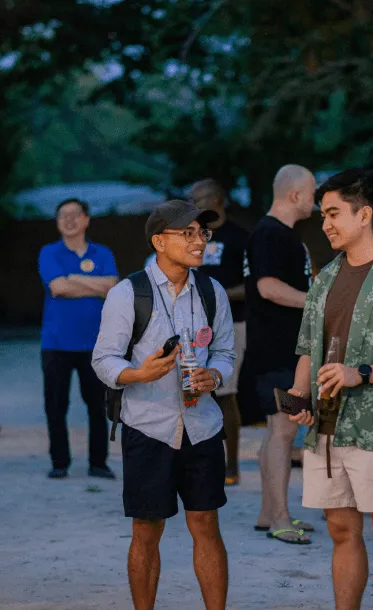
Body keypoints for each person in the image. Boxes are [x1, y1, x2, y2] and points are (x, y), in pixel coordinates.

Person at [287, 168, 373, 610]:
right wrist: (299, 396)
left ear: (364, 214)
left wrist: (358, 373)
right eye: (322, 214)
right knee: (340, 530)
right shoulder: (324, 276)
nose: (325, 223)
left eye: (333, 213)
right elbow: (309, 344)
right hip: (326, 426)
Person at [92, 200, 235, 610]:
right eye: (186, 233)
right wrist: (140, 374)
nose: (198, 241)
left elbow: (225, 351)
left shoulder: (211, 290)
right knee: (147, 528)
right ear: (159, 241)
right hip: (148, 426)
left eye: (202, 233)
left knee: (206, 523)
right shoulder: (128, 293)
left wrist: (217, 376)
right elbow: (104, 360)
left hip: (203, 425)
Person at [240, 164, 316, 544]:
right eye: (312, 193)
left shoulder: (279, 235)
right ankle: (281, 518)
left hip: (281, 352)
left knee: (277, 431)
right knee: (284, 432)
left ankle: (269, 512)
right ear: (295, 195)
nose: (316, 202)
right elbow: (268, 287)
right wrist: (317, 301)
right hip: (276, 354)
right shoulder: (271, 234)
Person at [39, 198, 118, 479]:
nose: (69, 220)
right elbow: (58, 287)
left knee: (98, 406)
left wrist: (75, 279)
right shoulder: (49, 252)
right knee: (56, 405)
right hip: (56, 343)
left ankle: (99, 463)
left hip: (96, 343)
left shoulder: (102, 252)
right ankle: (59, 463)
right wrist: (95, 284)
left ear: (86, 219)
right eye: (63, 215)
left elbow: (113, 287)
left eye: (75, 215)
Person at [189, 179, 249, 485]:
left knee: (224, 393)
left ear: (216, 200)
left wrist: (215, 294)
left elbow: (253, 286)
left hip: (230, 325)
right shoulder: (193, 236)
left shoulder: (239, 237)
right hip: (191, 327)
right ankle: (200, 462)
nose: (193, 205)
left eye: (197, 200)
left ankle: (231, 466)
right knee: (193, 393)